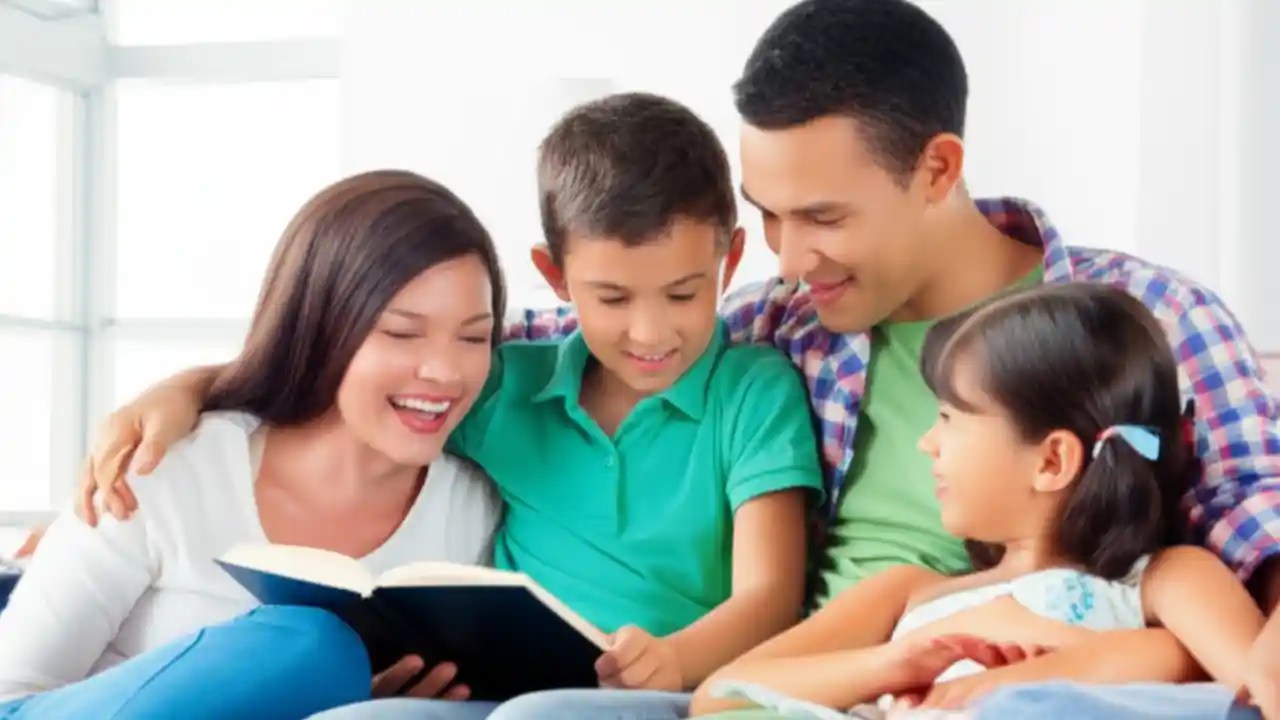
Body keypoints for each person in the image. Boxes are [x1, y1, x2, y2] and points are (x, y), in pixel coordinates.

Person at [79, 0, 1280, 715]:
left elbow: (1253, 531)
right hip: (795, 681)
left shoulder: (1150, 315)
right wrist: (203, 389)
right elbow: (455, 350)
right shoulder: (765, 325)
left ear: (936, 169)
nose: (786, 257)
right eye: (765, 218)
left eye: (822, 217)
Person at [75, 93, 826, 720]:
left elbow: (770, 595)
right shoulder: (504, 385)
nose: (650, 332)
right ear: (555, 276)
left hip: (677, 689)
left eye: (684, 294)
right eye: (612, 298)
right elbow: (356, 375)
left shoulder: (753, 390)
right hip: (498, 689)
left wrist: (676, 658)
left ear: (729, 260)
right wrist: (188, 389)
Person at [0, 169, 505, 718]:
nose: (445, 372)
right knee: (315, 650)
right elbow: (12, 690)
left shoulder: (471, 510)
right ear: (322, 326)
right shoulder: (165, 465)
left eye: (473, 337)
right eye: (402, 333)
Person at [686, 284, 1265, 718]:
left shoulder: (1162, 579)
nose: (927, 443)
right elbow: (722, 693)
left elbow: (1254, 685)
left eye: (948, 418)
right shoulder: (908, 594)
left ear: (1051, 461)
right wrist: (895, 662)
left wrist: (1023, 676)